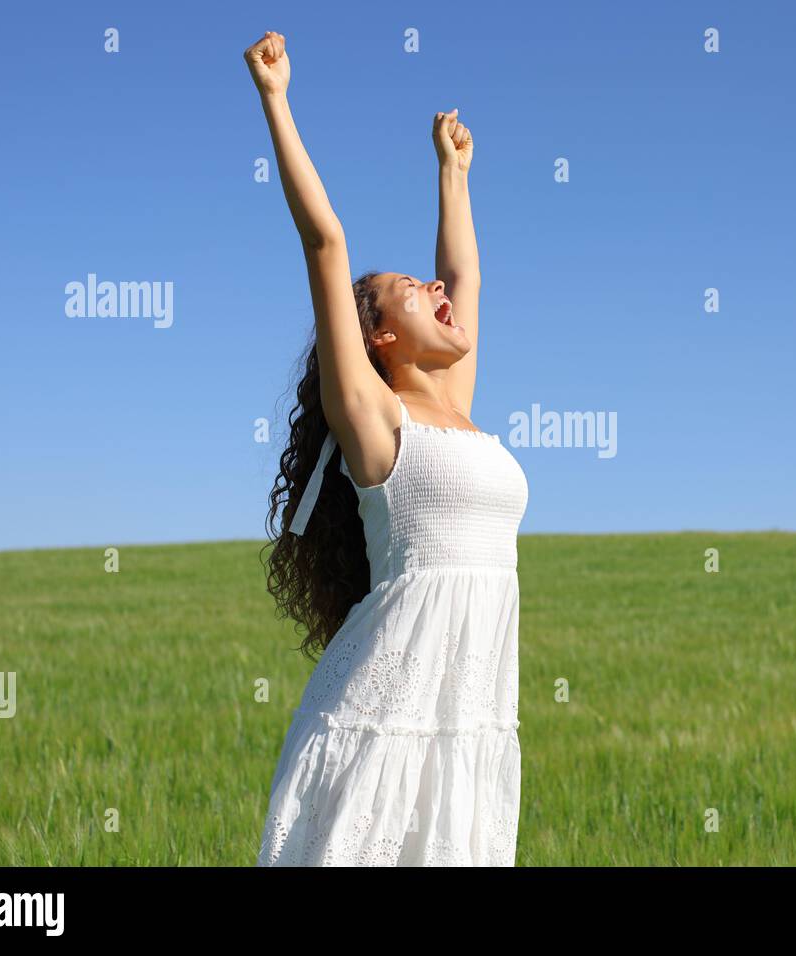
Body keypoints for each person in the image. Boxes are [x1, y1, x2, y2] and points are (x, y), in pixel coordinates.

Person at [245, 31, 528, 866]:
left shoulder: (458, 410)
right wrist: (276, 99)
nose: (439, 291)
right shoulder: (378, 423)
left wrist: (453, 175)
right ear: (374, 337)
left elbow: (465, 277)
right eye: (414, 292)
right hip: (385, 707)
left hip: (468, 712)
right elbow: (326, 242)